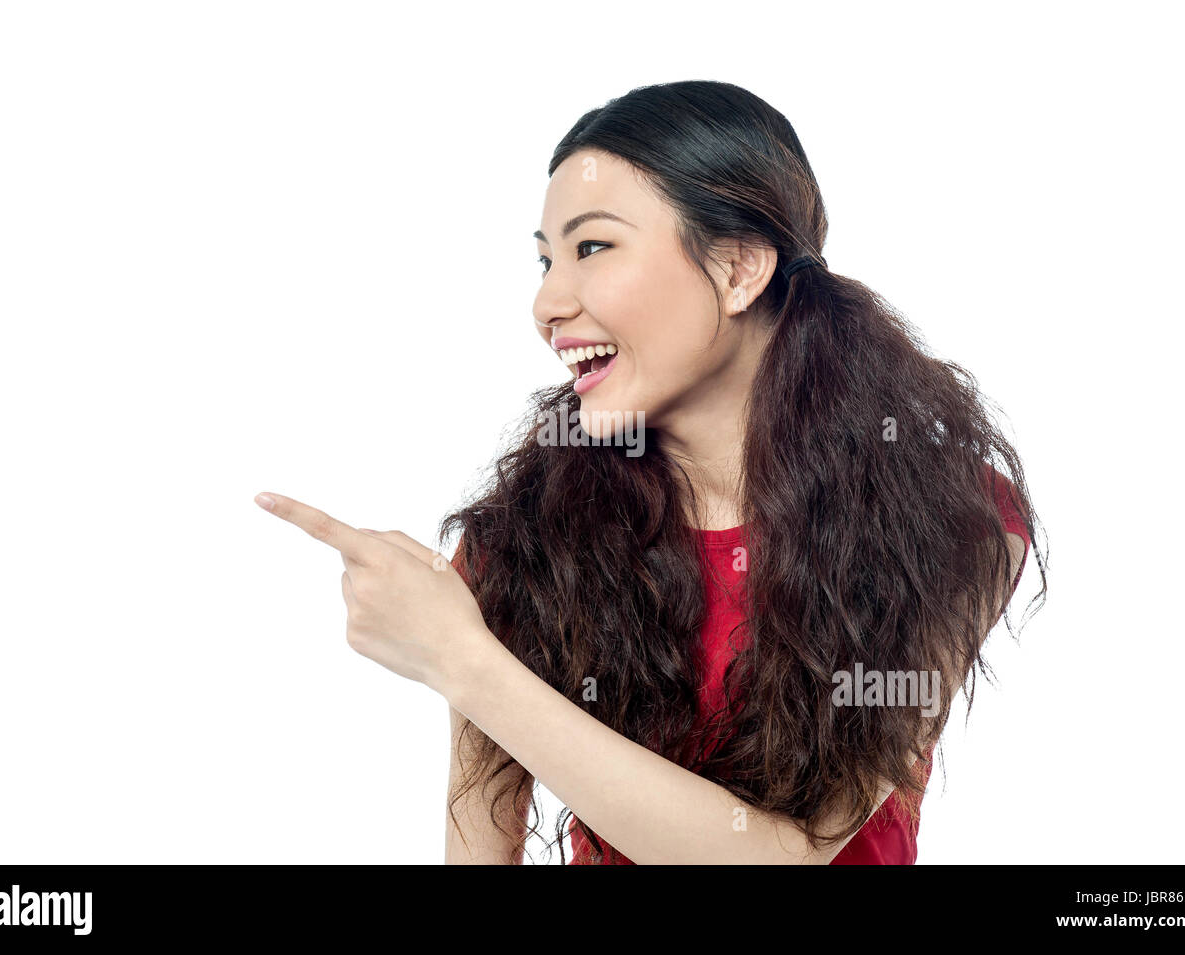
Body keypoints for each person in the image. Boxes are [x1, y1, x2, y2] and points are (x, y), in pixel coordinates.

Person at [441, 80, 1046, 865]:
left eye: (592, 247)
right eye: (545, 258)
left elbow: (786, 854)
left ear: (737, 269)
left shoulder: (955, 518)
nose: (547, 301)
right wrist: (464, 654)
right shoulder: (517, 541)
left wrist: (459, 658)